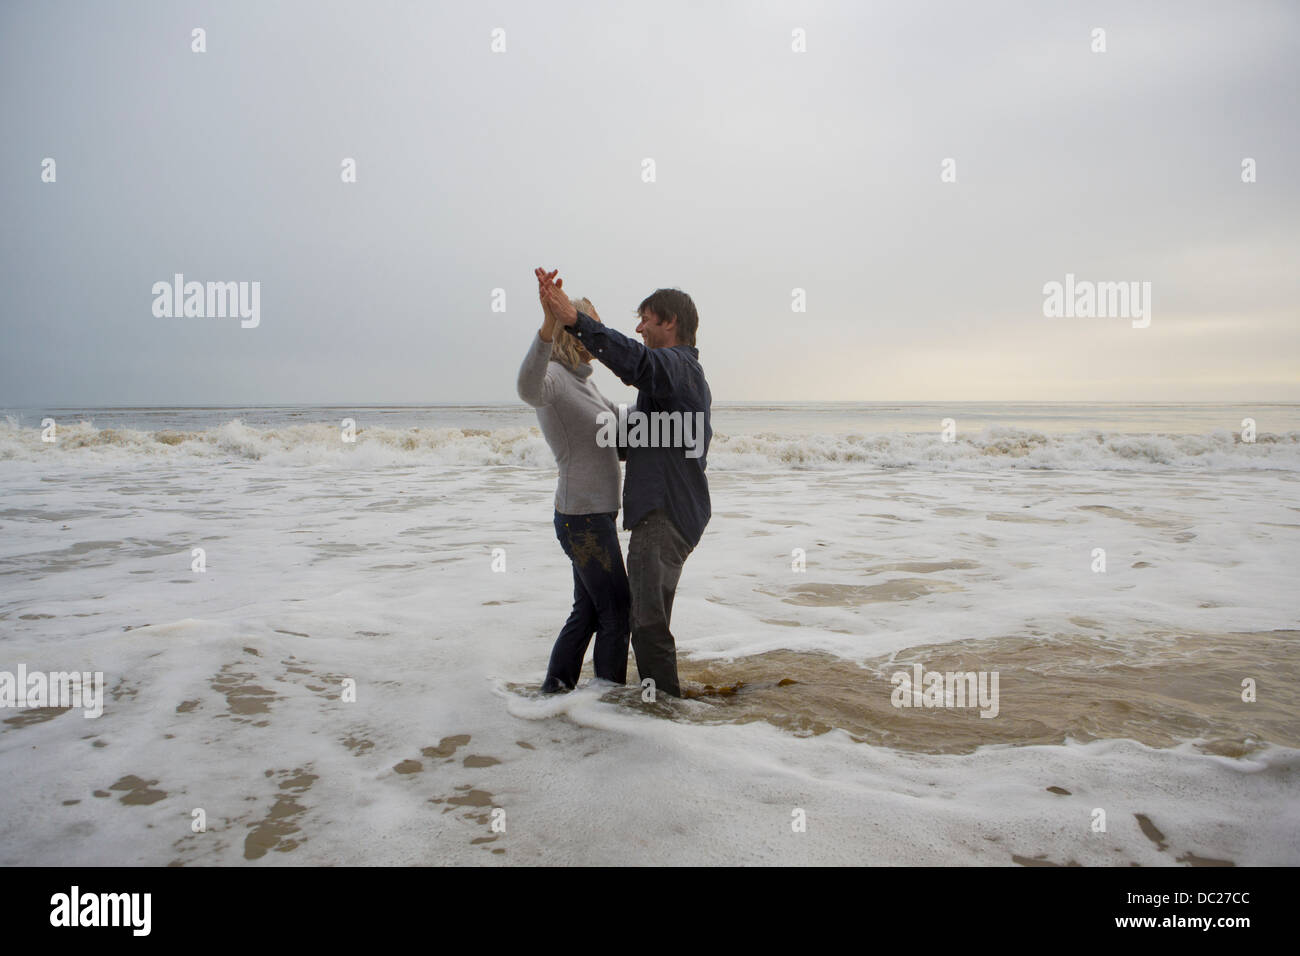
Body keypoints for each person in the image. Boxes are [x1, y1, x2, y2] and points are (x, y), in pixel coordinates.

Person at [536, 269, 711, 698]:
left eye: (646, 320)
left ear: (669, 322)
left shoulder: (676, 367)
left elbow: (637, 362)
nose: (639, 327)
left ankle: (662, 711)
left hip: (663, 512)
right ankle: (643, 702)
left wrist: (578, 322)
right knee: (629, 615)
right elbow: (642, 440)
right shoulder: (675, 381)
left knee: (645, 622)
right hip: (670, 511)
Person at [517, 272, 630, 693]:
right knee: (617, 611)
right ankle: (608, 705)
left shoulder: (585, 382)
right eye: (591, 324)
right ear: (572, 328)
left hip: (594, 517)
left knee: (588, 611)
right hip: (581, 520)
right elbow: (526, 389)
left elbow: (619, 435)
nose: (598, 332)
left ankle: (555, 693)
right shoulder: (554, 380)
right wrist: (547, 326)